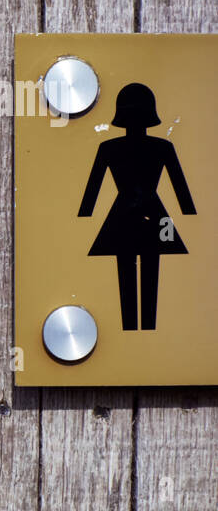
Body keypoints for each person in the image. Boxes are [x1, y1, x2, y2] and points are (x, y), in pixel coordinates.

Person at [78, 83, 197, 331]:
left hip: (126, 213)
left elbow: (91, 193)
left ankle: (136, 329)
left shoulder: (110, 147)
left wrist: (85, 213)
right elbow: (181, 190)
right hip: (152, 212)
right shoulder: (161, 146)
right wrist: (188, 211)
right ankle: (141, 329)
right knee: (146, 267)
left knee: (129, 269)